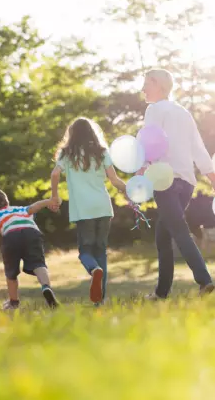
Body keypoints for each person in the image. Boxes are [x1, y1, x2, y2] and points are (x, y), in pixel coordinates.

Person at [141, 69, 215, 299]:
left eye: (146, 84)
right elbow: (198, 149)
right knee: (163, 235)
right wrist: (212, 178)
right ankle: (161, 292)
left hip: (164, 179)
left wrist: (141, 169)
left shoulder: (154, 109)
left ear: (158, 84)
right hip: (187, 183)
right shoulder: (183, 112)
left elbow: (148, 139)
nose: (143, 89)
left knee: (179, 230)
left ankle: (205, 281)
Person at [50, 117, 126, 305]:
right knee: (101, 251)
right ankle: (100, 299)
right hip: (103, 207)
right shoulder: (101, 152)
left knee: (85, 250)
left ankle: (93, 270)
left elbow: (54, 174)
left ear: (72, 134)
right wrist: (129, 191)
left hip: (83, 210)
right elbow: (114, 180)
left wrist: (54, 197)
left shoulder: (66, 154)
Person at [0, 182, 59, 310]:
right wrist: (50, 201)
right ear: (7, 202)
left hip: (11, 236)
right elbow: (35, 206)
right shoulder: (21, 209)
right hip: (31, 232)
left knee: (11, 272)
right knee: (38, 264)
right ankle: (46, 287)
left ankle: (14, 302)